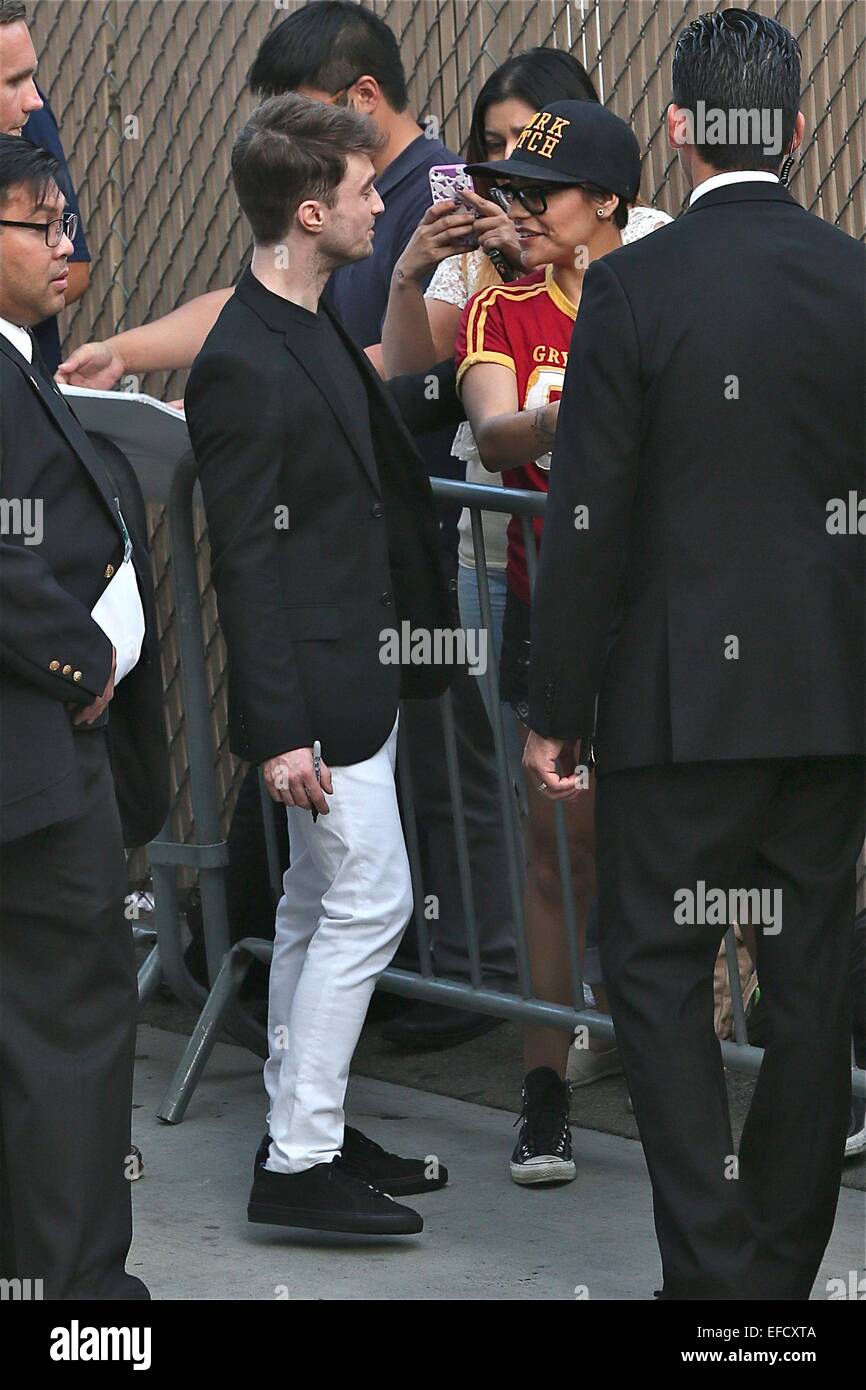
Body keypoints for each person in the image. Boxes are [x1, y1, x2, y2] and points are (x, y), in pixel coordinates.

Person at [59, 1, 520, 1048]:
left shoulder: (422, 198)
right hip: (330, 611)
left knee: (417, 817)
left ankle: (442, 1004)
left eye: (297, 117)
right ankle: (303, 1124)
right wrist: (134, 350)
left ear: (359, 106)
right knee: (344, 878)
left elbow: (382, 358)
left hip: (406, 566)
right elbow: (253, 314)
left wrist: (242, 393)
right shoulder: (302, 252)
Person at [524, 8, 865, 1299]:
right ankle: (776, 1270)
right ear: (787, 126)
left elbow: (587, 513)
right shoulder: (853, 277)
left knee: (659, 971)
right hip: (830, 697)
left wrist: (556, 706)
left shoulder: (631, 287)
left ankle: (707, 1266)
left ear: (675, 128)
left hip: (676, 704)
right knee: (806, 968)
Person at [185, 94, 459, 1236]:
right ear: (310, 213)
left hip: (360, 678)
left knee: (312, 904)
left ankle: (310, 1125)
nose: (375, 205)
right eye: (360, 193)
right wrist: (281, 731)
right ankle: (296, 1161)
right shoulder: (242, 361)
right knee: (368, 901)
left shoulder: (298, 326)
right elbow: (244, 563)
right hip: (323, 702)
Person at [454, 99, 655, 1184]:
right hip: (552, 608)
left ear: (608, 202)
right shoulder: (504, 307)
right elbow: (490, 434)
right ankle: (540, 1088)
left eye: (541, 194)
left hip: (667, 619)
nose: (517, 212)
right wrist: (580, 412)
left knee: (674, 849)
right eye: (508, 191)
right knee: (555, 849)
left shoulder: (661, 293)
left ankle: (697, 1067)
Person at [0, 135, 168, 1297]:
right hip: (34, 766)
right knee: (69, 1043)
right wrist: (82, 663)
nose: (67, 245)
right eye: (40, 222)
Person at [0, 2, 92, 371]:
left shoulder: (25, 125)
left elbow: (75, 267)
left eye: (31, 78)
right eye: (12, 82)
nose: (34, 100)